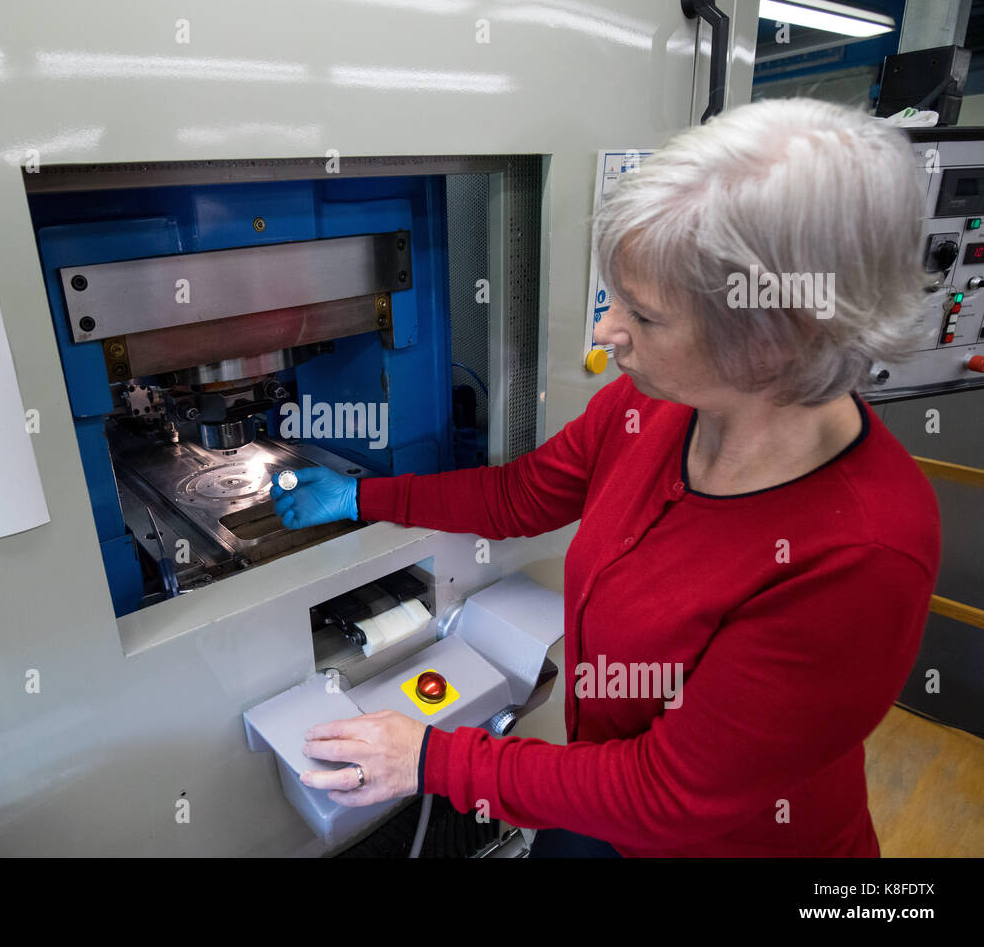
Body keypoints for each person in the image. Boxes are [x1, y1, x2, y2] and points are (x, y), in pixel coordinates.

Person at [268, 98, 941, 857]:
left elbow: (672, 795)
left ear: (775, 340)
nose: (605, 330)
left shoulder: (861, 555)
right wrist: (361, 495)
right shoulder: (653, 407)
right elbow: (523, 495)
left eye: (644, 317)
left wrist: (430, 759)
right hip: (603, 803)